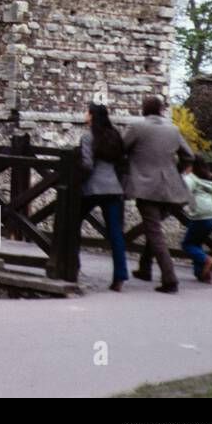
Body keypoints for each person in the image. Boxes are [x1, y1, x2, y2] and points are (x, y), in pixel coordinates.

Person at [122, 96, 194, 293]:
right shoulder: (173, 129)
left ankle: (170, 278)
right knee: (153, 228)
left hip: (146, 185)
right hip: (171, 187)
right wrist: (174, 170)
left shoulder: (137, 127)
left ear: (144, 109)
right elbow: (189, 155)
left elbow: (121, 149)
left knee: (153, 231)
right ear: (162, 110)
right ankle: (145, 268)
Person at [78, 103, 128, 292]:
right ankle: (120, 277)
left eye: (87, 111)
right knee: (115, 233)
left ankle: (72, 267)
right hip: (113, 186)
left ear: (91, 116)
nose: (84, 114)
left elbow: (87, 165)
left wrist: (78, 183)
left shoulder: (88, 136)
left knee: (73, 223)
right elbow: (121, 162)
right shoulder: (114, 135)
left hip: (93, 187)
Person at [181, 155, 212, 283]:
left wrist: (185, 175)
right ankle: (202, 274)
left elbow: (185, 189)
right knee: (197, 243)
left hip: (200, 215)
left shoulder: (191, 178)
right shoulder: (207, 179)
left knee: (187, 244)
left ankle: (206, 260)